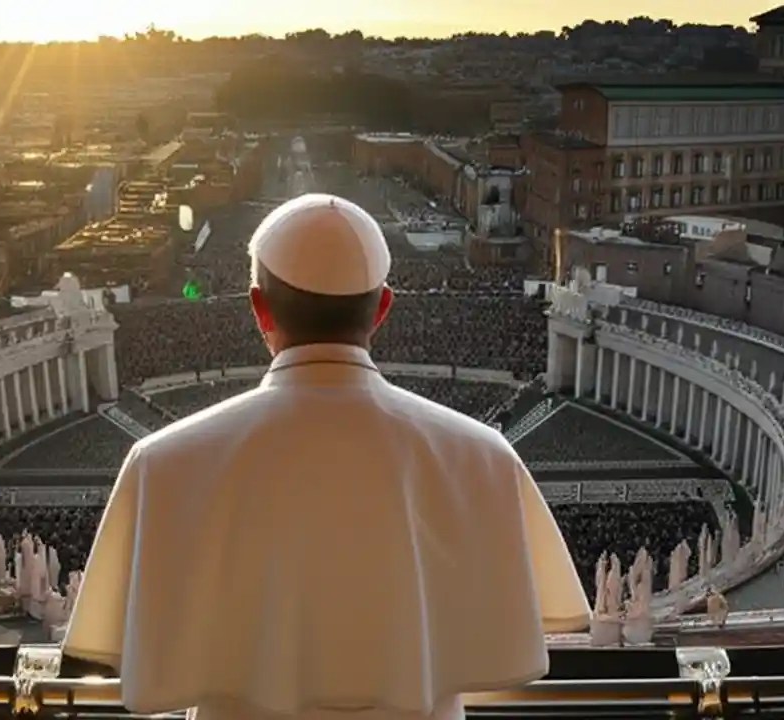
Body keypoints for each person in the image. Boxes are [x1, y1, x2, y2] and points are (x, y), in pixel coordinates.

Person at [63, 193, 589, 720]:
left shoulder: (160, 465)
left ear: (258, 307)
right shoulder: (485, 457)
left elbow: (118, 652)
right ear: (383, 308)